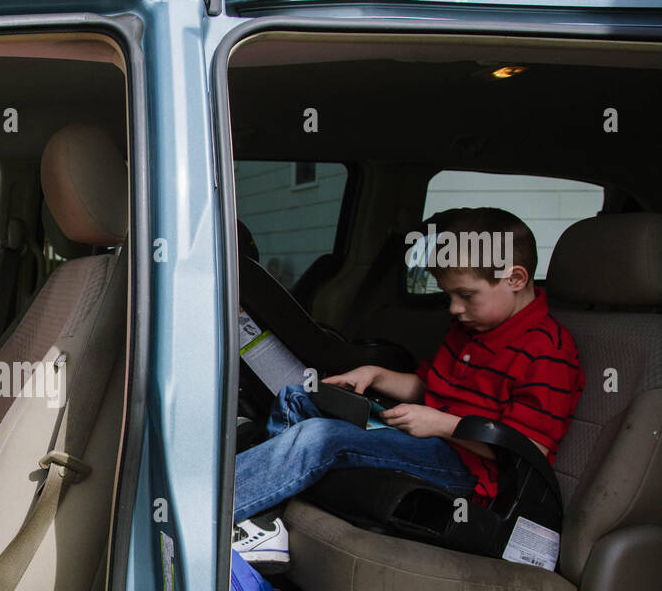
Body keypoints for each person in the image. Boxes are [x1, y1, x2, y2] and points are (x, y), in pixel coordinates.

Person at [232, 207, 585, 568]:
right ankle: (267, 514)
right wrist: (376, 375)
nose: (455, 309)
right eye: (449, 296)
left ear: (515, 278)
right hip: (430, 440)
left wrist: (442, 424)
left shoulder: (547, 351)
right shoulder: (473, 328)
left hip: (469, 470)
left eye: (466, 295)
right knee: (297, 397)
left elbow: (530, 449)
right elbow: (427, 387)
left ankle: (215, 519)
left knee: (320, 437)